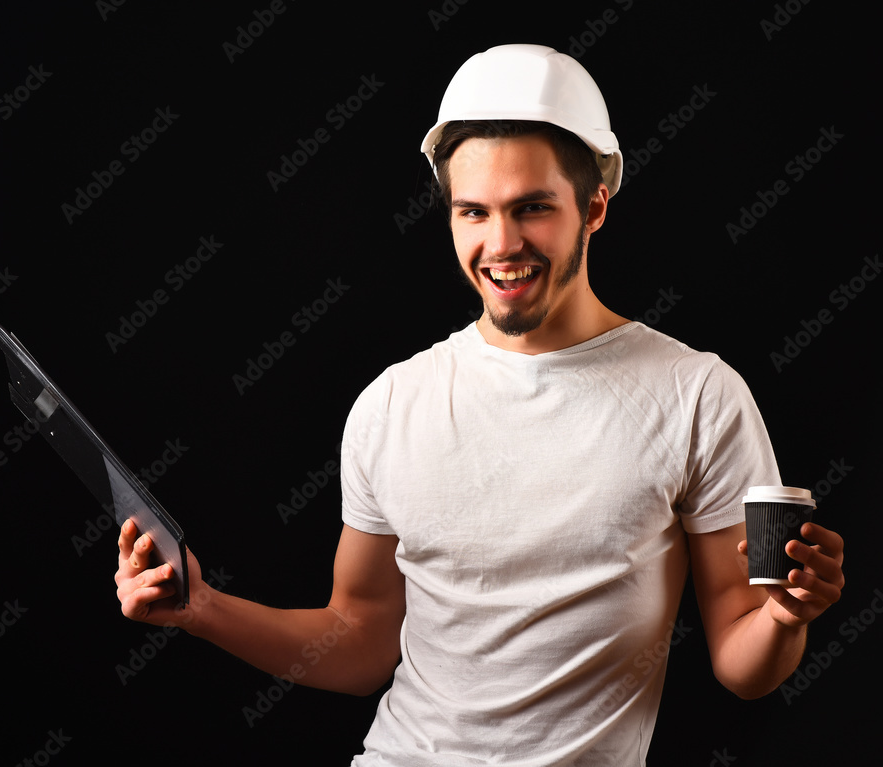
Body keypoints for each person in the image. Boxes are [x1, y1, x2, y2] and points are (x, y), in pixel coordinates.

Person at [114, 45, 845, 765]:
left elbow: (744, 664)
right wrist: (200, 608)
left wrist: (784, 613)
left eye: (532, 208)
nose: (501, 245)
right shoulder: (393, 402)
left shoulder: (698, 397)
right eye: (473, 212)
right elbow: (361, 638)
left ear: (594, 206)